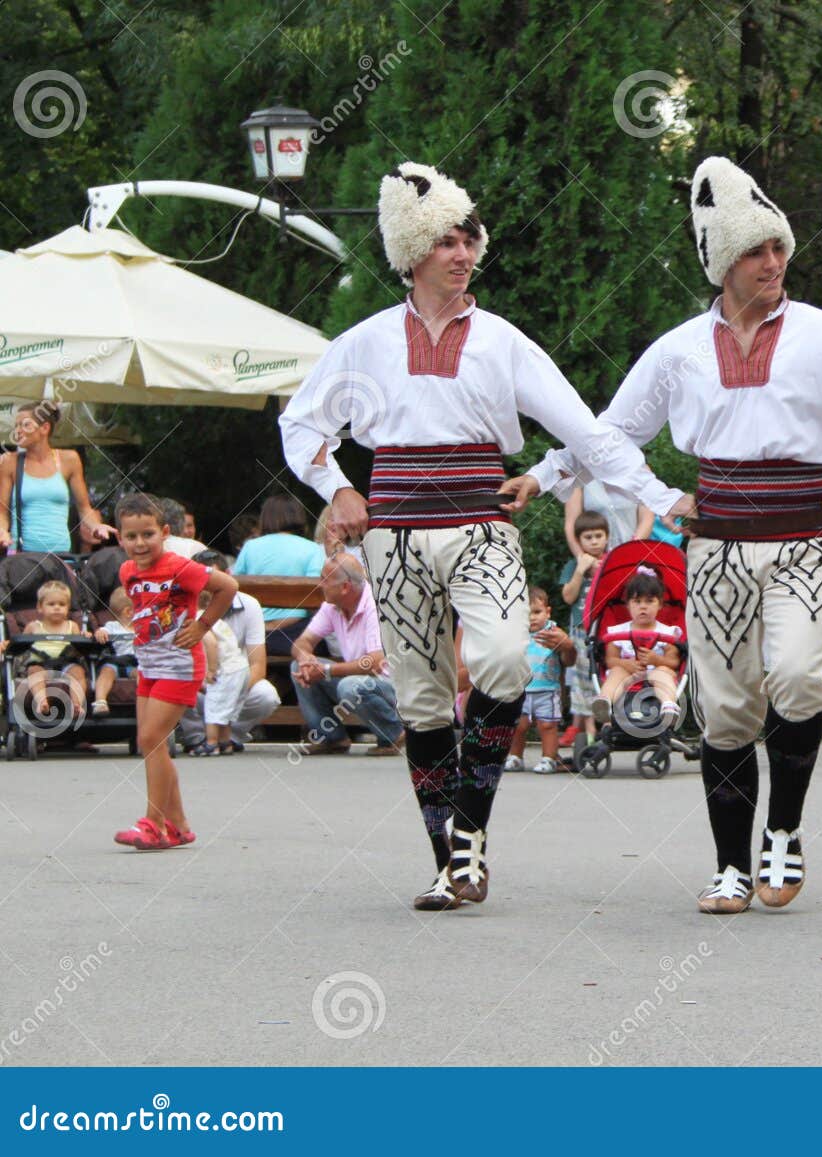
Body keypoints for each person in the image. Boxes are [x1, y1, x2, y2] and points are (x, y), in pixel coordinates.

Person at [534, 155, 822, 916]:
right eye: (755, 251)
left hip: (805, 541)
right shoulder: (679, 348)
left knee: (802, 678)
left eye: (778, 246)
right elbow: (608, 433)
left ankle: (784, 829)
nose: (774, 261)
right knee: (731, 706)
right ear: (719, 263)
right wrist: (592, 483)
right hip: (714, 549)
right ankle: (730, 866)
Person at [280, 161, 675, 911]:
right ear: (410, 253)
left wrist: (660, 496)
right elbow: (298, 424)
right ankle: (450, 862)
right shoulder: (363, 343)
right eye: (445, 242)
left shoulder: (502, 342)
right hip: (392, 531)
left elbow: (587, 430)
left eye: (469, 240)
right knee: (424, 702)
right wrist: (337, 486)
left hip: (480, 523)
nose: (462, 254)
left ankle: (468, 830)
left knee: (502, 661)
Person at [111, 493, 238, 851]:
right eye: (131, 536)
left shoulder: (180, 567)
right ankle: (178, 825)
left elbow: (228, 587)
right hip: (149, 666)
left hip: (180, 666)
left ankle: (152, 824)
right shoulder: (128, 572)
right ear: (120, 538)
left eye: (148, 534)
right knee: (150, 744)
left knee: (152, 740)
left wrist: (202, 626)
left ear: (164, 532)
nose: (140, 543)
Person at [289, 553, 404, 757]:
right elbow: (302, 641)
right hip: (363, 680)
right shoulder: (332, 605)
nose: (320, 585)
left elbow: (375, 662)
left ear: (345, 587)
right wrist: (305, 658)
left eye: (325, 579)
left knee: (350, 686)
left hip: (394, 687)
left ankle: (393, 734)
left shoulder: (375, 604)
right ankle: (331, 738)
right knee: (299, 667)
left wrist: (325, 670)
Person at [174, 551, 280, 752]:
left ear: (227, 576)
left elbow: (258, 666)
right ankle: (196, 736)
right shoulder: (185, 605)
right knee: (172, 683)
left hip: (232, 678)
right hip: (196, 683)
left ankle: (231, 736)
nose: (209, 589)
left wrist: (226, 690)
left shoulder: (248, 604)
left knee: (266, 695)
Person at [0, 401, 115, 553]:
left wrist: (96, 526)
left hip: (60, 554)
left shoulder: (69, 459)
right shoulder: (10, 461)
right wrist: (2, 531)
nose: (18, 431)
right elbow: (2, 511)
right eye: (17, 426)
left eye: (25, 425)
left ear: (45, 428)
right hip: (22, 554)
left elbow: (84, 508)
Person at [233, 496, 326, 656]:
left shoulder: (250, 547)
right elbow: (317, 597)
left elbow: (235, 589)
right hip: (295, 636)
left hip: (253, 635)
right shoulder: (313, 549)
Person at [593, 567, 683, 725]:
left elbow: (674, 662)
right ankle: (605, 701)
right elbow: (610, 660)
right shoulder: (617, 632)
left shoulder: (668, 632)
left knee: (664, 672)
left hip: (655, 671)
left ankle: (668, 704)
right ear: (627, 605)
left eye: (649, 601)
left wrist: (656, 660)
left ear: (660, 604)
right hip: (627, 673)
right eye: (637, 601)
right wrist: (625, 664)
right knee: (616, 672)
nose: (643, 607)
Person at [503, 587, 575, 774]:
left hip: (547, 689)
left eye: (537, 612)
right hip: (521, 690)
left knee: (547, 725)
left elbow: (568, 656)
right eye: (527, 614)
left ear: (547, 612)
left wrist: (566, 645)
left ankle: (549, 758)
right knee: (519, 725)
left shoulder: (553, 632)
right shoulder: (517, 632)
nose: (532, 618)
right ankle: (515, 757)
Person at [560, 511, 609, 744]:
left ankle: (609, 725)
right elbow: (568, 597)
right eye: (588, 537)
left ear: (607, 538)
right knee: (582, 678)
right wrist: (580, 570)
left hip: (606, 630)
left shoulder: (612, 562)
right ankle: (588, 731)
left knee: (605, 675)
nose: (594, 541)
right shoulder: (573, 565)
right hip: (582, 630)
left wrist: (600, 570)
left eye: (599, 536)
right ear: (579, 541)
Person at [19, 579, 89, 720]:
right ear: (40, 607)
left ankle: (76, 704)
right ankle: (42, 701)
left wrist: (85, 636)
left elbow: (81, 646)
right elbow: (20, 644)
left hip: (66, 663)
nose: (57, 607)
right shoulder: (33, 626)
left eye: (62, 604)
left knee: (78, 672)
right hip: (41, 664)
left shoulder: (72, 626)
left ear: (68, 607)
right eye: (51, 604)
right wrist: (6, 643)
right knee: (34, 672)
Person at [193, 589, 250, 756]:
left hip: (225, 669)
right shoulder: (217, 619)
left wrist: (211, 669)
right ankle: (225, 742)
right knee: (226, 708)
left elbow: (210, 643)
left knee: (214, 706)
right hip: (240, 666)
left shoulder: (198, 619)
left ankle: (211, 743)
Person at [91, 587, 137, 715]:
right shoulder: (112, 626)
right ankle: (100, 701)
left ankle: (148, 701)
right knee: (106, 673)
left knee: (142, 675)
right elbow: (103, 632)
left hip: (134, 664)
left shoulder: (141, 628)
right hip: (115, 662)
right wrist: (100, 632)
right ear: (129, 612)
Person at [566, 480, 638, 560]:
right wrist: (584, 559)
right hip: (593, 559)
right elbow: (571, 524)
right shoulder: (578, 473)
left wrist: (631, 553)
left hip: (633, 556)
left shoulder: (638, 470)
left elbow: (647, 519)